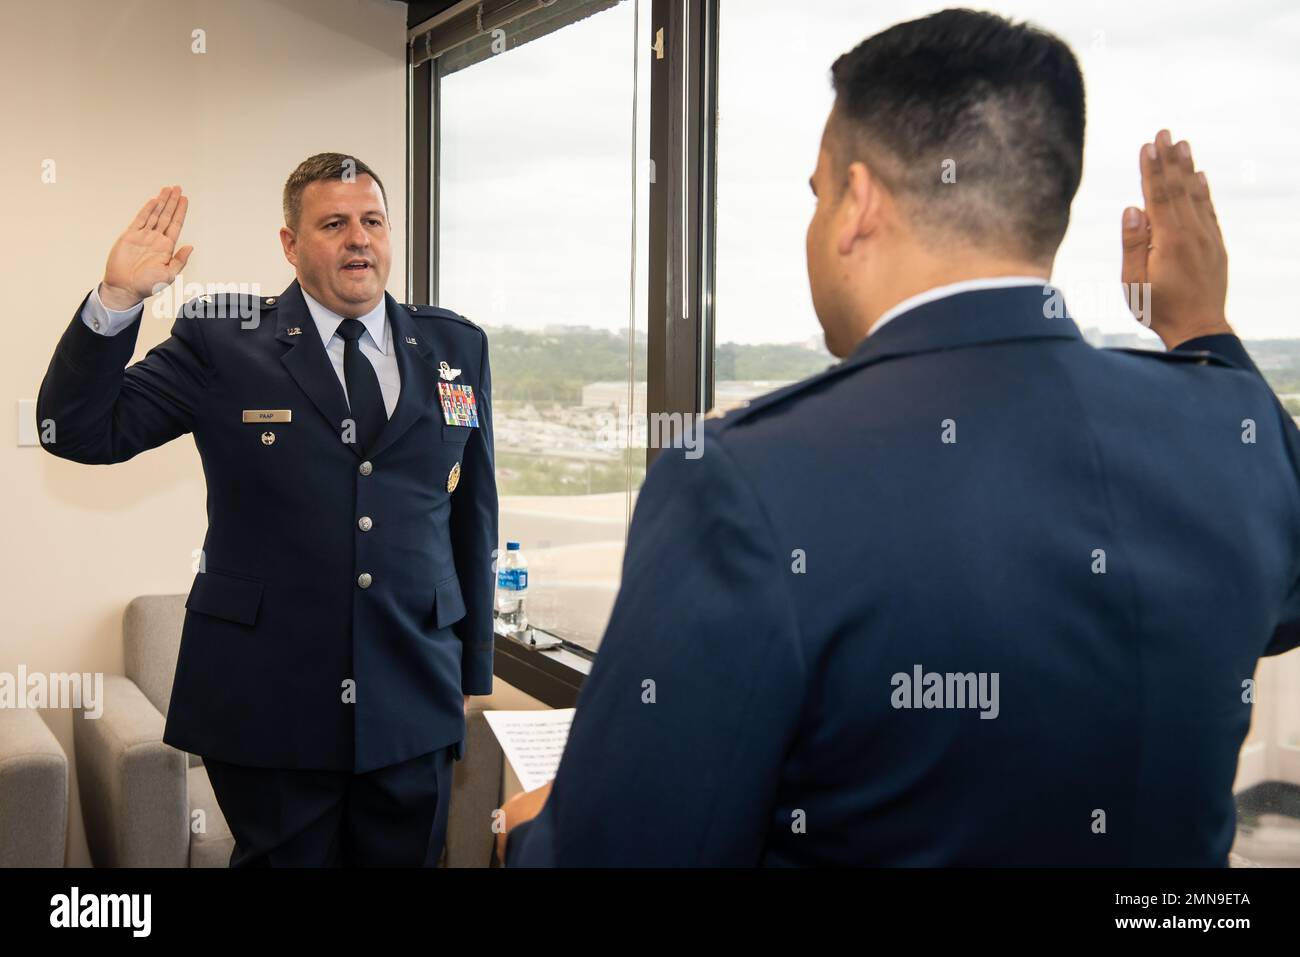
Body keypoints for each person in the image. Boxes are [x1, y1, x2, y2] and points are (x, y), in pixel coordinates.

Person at [498, 9, 1300, 866]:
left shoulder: (743, 485)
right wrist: (1202, 330)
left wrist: (529, 832)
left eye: (817, 193)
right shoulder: (1232, 433)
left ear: (860, 204)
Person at [37, 154, 498, 867]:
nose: (358, 239)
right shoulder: (222, 340)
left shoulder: (454, 345)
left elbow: (473, 518)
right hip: (267, 701)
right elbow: (77, 432)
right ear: (289, 243)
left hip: (414, 697)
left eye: (372, 221)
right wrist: (118, 298)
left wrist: (472, 670)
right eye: (334, 223)